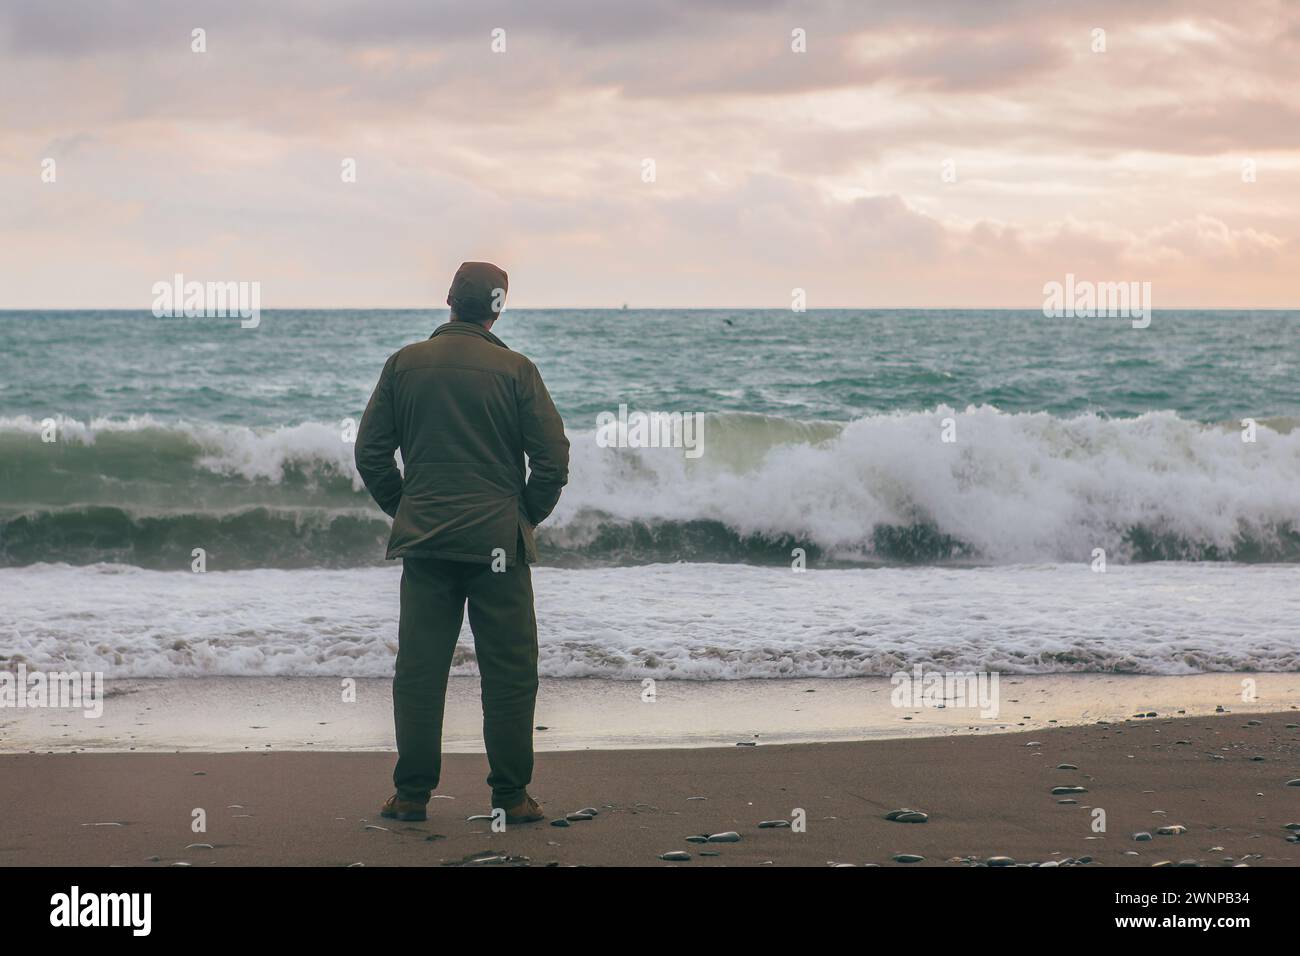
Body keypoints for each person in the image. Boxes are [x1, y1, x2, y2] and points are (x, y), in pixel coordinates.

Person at [355, 261, 569, 824]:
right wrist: (524, 515)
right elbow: (553, 459)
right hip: (498, 544)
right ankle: (511, 796)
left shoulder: (404, 365)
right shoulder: (517, 370)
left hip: (426, 542)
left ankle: (411, 796)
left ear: (449, 298)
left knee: (421, 672)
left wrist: (405, 508)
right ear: (498, 308)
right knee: (510, 672)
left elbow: (371, 454)